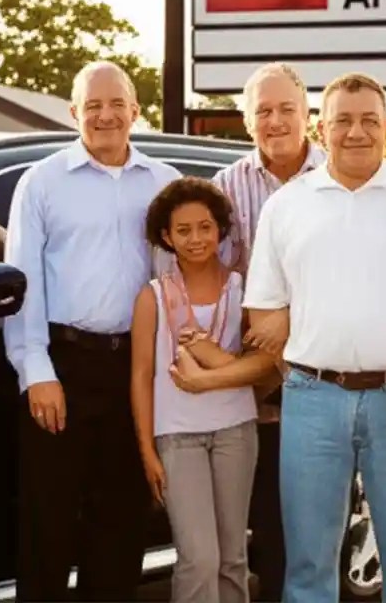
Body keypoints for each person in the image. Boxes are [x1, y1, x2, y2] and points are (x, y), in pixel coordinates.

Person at [243, 72, 386, 603]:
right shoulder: (288, 205)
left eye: (367, 120)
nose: (354, 132)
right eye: (341, 120)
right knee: (309, 566)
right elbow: (264, 312)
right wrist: (312, 351)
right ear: (321, 127)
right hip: (313, 400)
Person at [3, 60, 181, 602]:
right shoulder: (42, 183)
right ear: (74, 112)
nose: (106, 115)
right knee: (48, 523)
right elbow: (22, 282)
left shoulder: (164, 183)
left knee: (121, 522)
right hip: (64, 365)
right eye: (93, 105)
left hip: (137, 368)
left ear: (134, 110)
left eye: (116, 103)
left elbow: (178, 280)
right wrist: (37, 371)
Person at [206, 62, 327, 602]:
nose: (275, 121)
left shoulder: (343, 177)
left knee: (321, 528)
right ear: (247, 119)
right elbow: (214, 282)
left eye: (286, 109)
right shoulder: (225, 189)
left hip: (330, 381)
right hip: (258, 390)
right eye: (263, 111)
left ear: (308, 115)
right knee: (268, 528)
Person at [130, 177, 264, 603]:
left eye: (205, 227)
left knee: (232, 556)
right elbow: (141, 374)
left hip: (236, 432)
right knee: (198, 558)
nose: (195, 238)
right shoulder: (153, 297)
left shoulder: (243, 289)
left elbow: (263, 362)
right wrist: (148, 450)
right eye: (183, 230)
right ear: (166, 236)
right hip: (177, 437)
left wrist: (214, 358)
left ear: (220, 229)